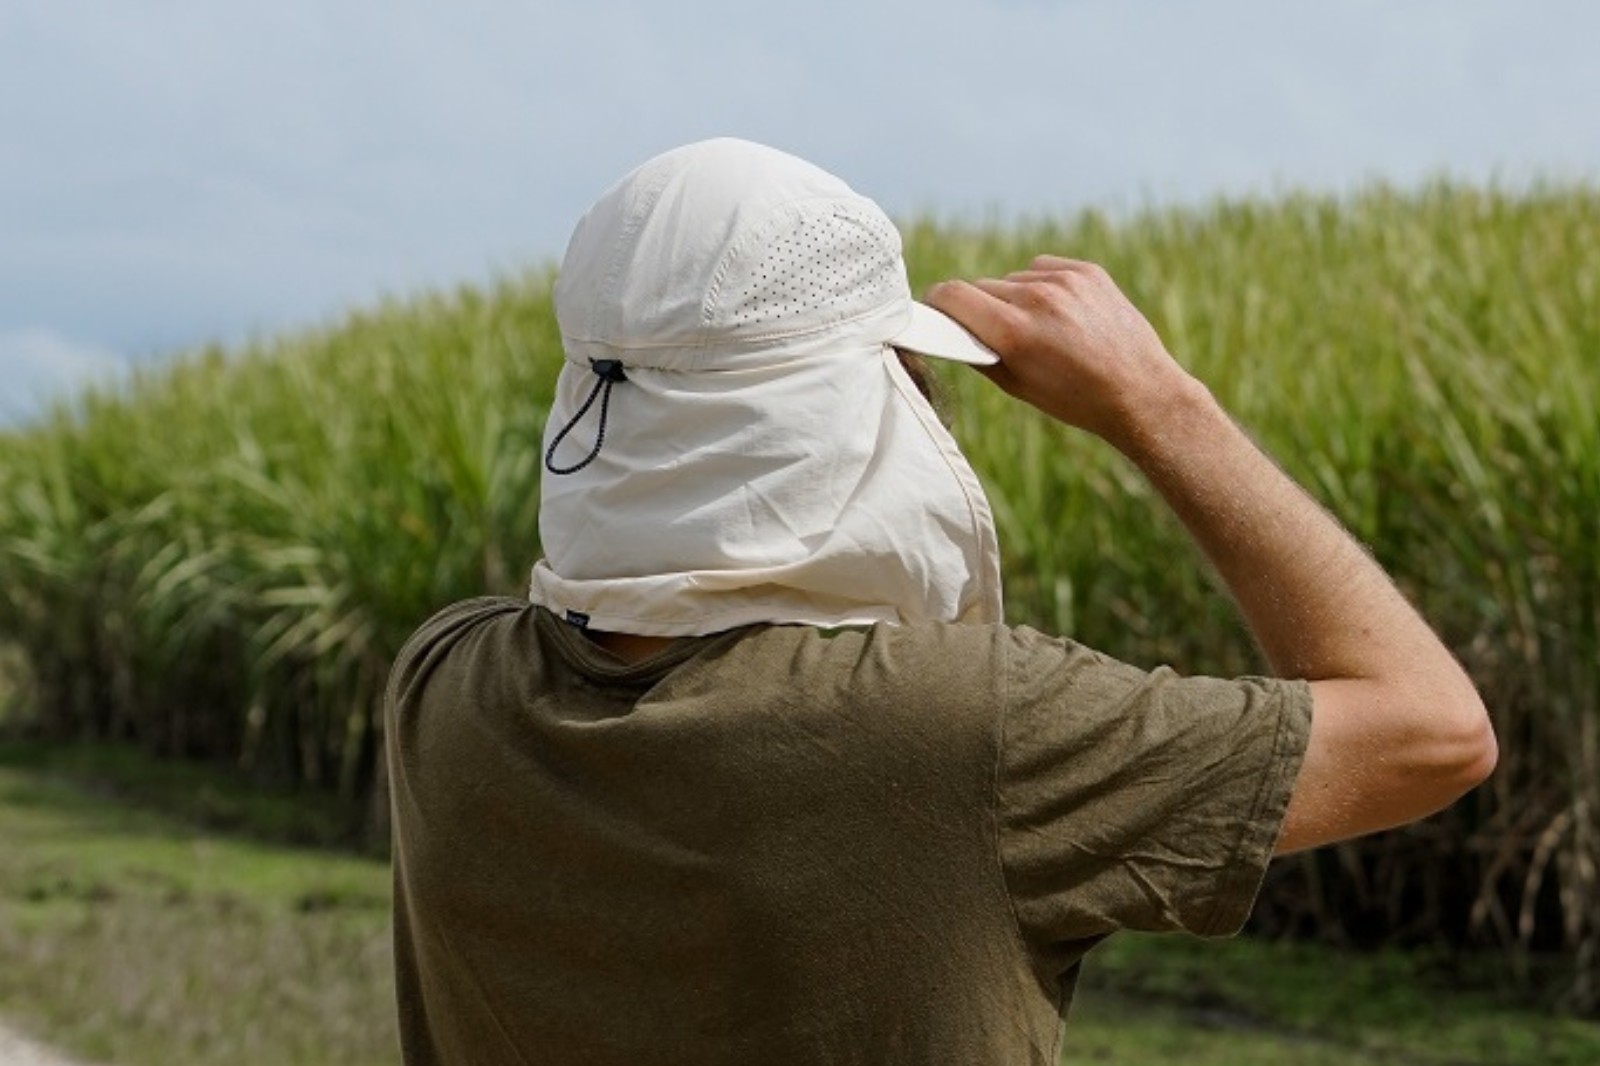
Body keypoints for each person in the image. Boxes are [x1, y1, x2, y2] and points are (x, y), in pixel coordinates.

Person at [384, 138, 1497, 1065]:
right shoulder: (960, 732)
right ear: (858, 409)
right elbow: (1431, 730)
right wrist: (1161, 404)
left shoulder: (443, 688)